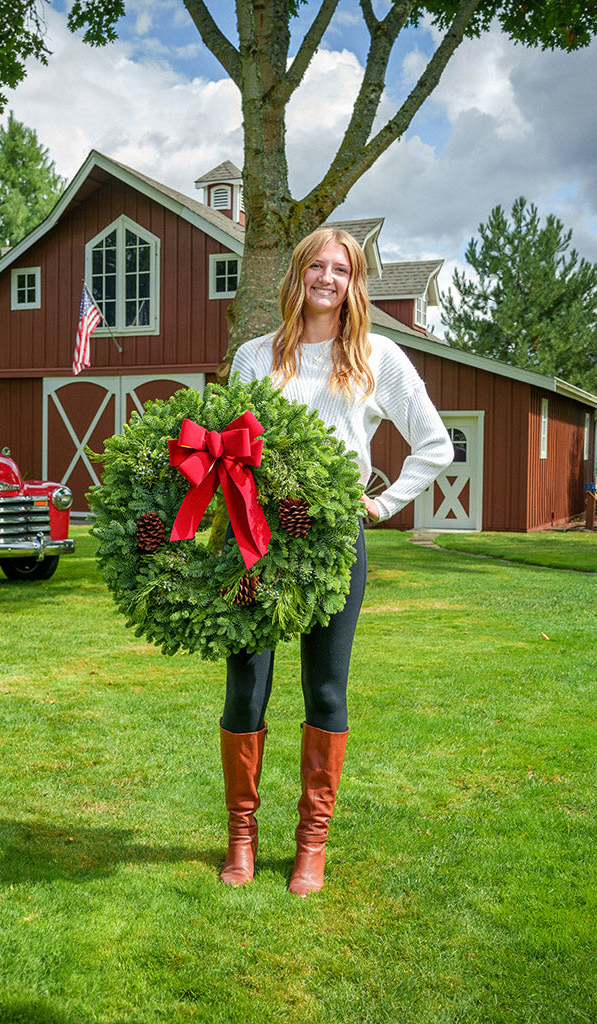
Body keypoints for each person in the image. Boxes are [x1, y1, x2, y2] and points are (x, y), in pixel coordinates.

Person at [220, 227, 454, 896]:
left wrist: (380, 506)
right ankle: (241, 839)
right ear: (298, 275)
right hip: (256, 536)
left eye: (341, 269)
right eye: (317, 266)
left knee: (326, 687)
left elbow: (434, 446)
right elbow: (229, 447)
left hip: (332, 541)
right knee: (246, 686)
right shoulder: (253, 356)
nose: (327, 277)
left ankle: (310, 848)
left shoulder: (379, 356)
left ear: (355, 283)